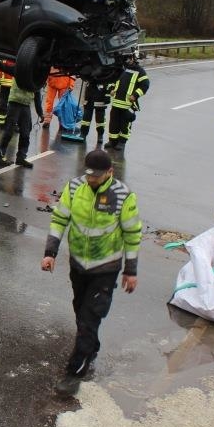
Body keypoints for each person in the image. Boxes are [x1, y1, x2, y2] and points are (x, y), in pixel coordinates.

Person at [41, 149, 141, 397]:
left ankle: (74, 373)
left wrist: (130, 270)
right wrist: (50, 252)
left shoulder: (123, 196)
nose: (91, 180)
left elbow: (132, 234)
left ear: (110, 172)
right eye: (89, 175)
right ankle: (91, 347)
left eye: (96, 176)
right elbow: (59, 219)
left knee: (89, 318)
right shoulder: (74, 188)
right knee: (80, 312)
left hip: (105, 268)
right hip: (78, 265)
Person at [0, 59, 44, 167]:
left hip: (25, 106)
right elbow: (4, 67)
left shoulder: (35, 76)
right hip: (14, 103)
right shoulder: (19, 69)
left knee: (25, 133)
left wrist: (40, 112)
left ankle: (21, 157)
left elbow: (37, 96)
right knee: (9, 132)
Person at [105, 55, 149, 152]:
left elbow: (145, 85)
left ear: (133, 59)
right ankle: (112, 141)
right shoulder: (123, 69)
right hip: (116, 102)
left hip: (128, 104)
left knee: (125, 124)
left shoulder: (140, 71)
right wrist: (112, 89)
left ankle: (122, 142)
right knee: (113, 123)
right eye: (126, 59)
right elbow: (114, 81)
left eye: (128, 59)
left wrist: (135, 95)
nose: (127, 61)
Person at [75, 80, 110, 145]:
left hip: (101, 96)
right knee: (86, 118)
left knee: (100, 120)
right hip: (89, 96)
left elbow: (110, 82)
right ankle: (83, 134)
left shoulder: (106, 70)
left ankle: (100, 135)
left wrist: (107, 96)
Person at [0, 59, 15, 130]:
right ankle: (12, 124)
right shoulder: (17, 58)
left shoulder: (3, 58)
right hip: (13, 86)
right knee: (14, 105)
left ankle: (0, 123)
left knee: (3, 103)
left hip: (5, 85)